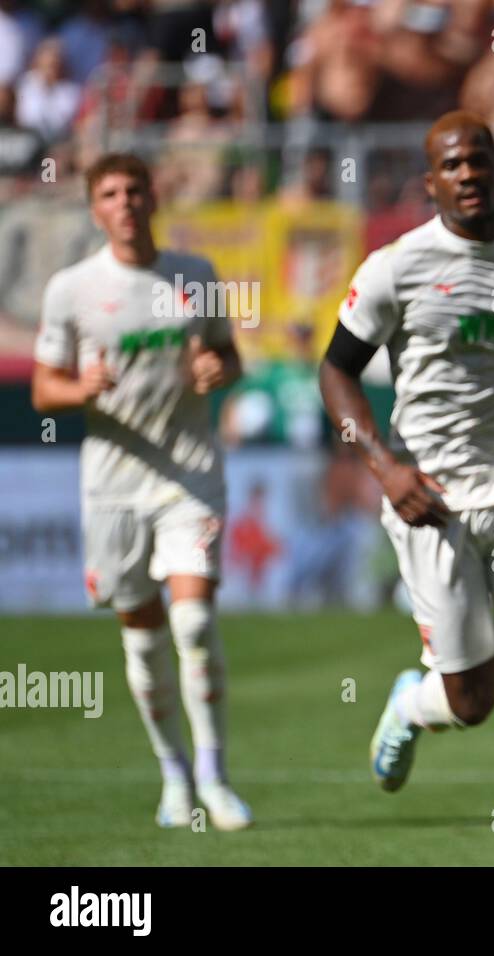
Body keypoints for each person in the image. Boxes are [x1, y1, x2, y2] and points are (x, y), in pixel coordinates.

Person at [318, 110, 494, 867]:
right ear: (431, 181)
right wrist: (384, 466)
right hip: (430, 498)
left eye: (479, 159)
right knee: (472, 704)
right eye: (452, 164)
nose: (468, 174)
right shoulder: (394, 266)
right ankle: (412, 706)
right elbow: (335, 371)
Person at [31, 152, 251, 830]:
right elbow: (44, 388)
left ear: (154, 198)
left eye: (134, 190)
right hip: (114, 487)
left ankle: (214, 774)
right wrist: (79, 389)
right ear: (95, 208)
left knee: (193, 621)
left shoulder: (196, 276)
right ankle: (174, 775)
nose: (125, 203)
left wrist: (219, 370)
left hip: (189, 473)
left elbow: (229, 355)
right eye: (110, 194)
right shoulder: (72, 289)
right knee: (144, 638)